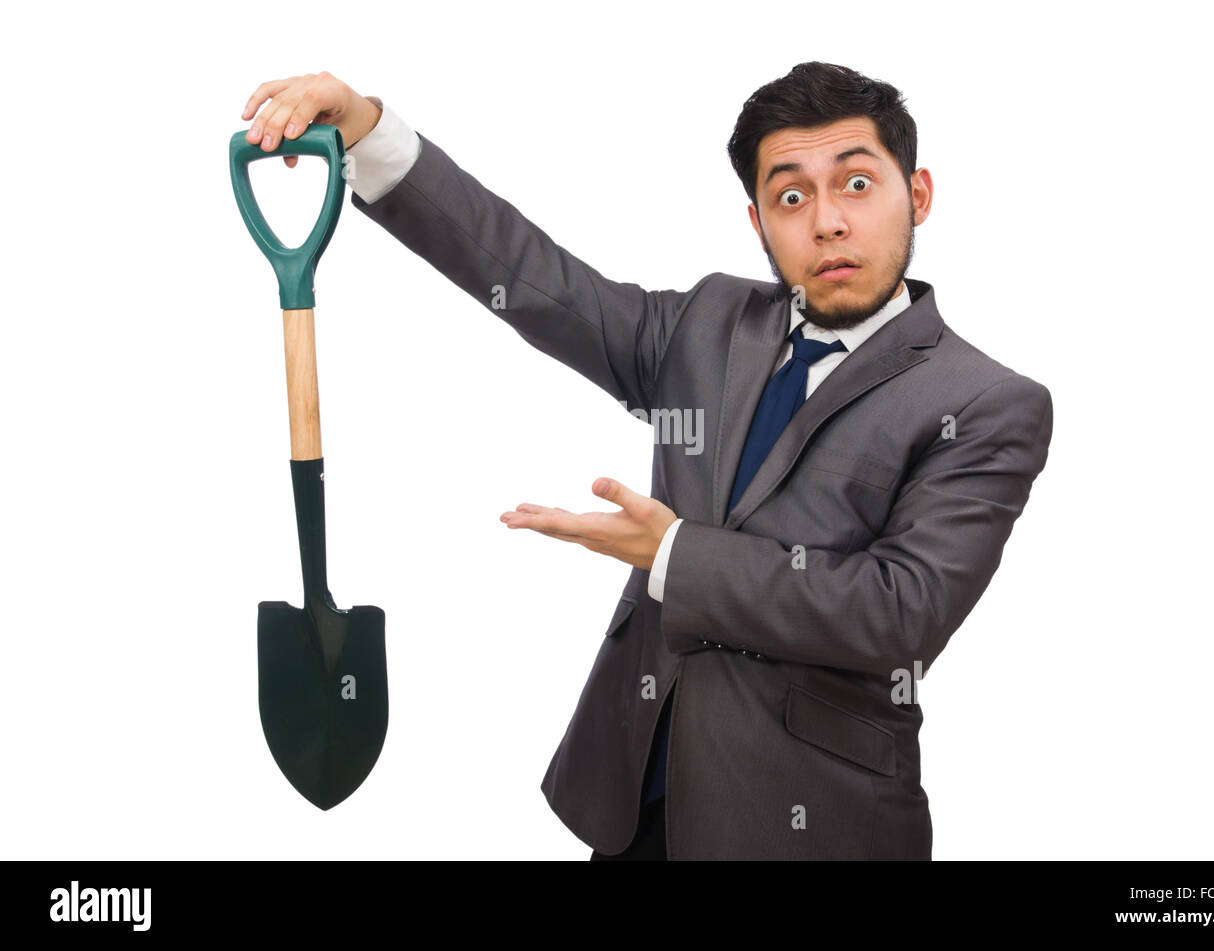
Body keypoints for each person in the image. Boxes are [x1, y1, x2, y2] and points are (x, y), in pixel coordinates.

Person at [240, 62, 1053, 860]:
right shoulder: (710, 324)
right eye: (792, 196)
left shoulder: (985, 401)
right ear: (759, 222)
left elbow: (899, 612)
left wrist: (674, 556)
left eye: (857, 184)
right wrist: (367, 131)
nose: (828, 222)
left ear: (917, 196)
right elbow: (529, 278)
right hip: (634, 801)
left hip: (811, 823)